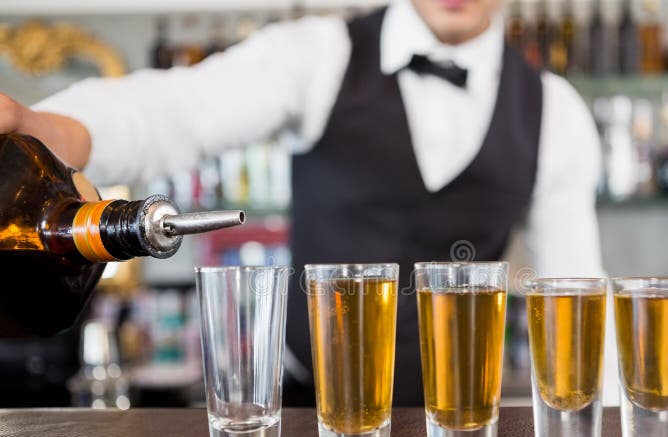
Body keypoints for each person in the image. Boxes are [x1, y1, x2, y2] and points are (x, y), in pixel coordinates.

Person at [0, 0, 617, 406]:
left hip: (459, 422)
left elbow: (581, 297)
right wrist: (40, 127)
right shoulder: (321, 53)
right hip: (305, 412)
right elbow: (175, 110)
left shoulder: (556, 111)